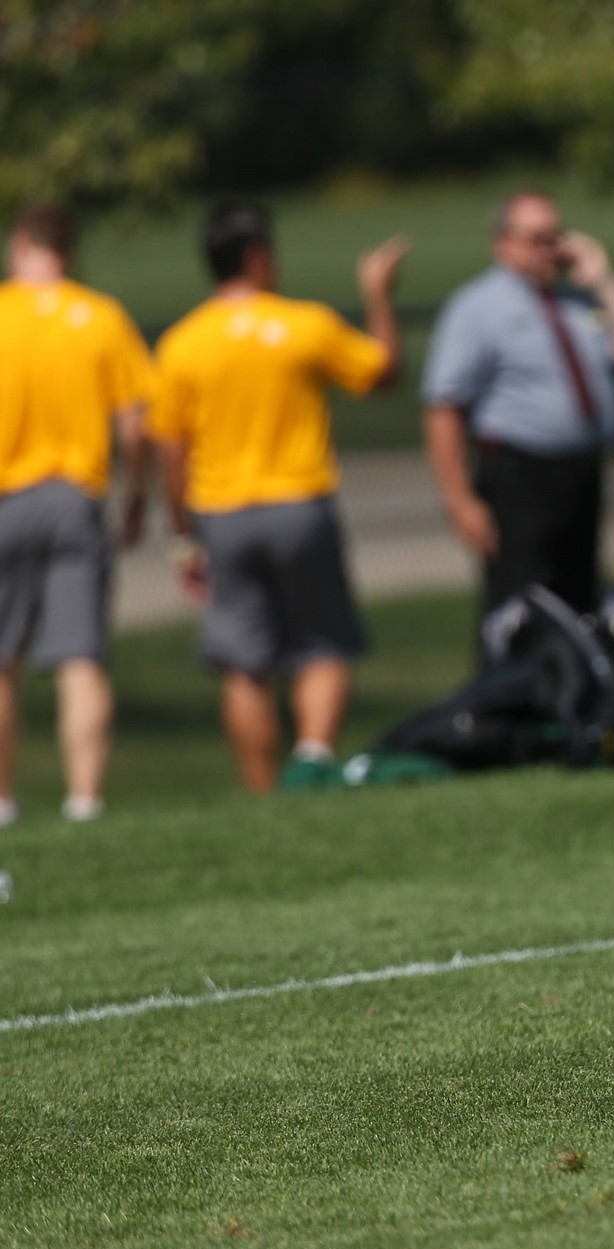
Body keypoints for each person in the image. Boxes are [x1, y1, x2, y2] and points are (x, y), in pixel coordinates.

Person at [151, 202, 407, 792]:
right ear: (257, 257)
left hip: (222, 510)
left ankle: (263, 790)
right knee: (322, 641)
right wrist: (377, 294)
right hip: (298, 502)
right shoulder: (304, 324)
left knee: (244, 661)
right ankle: (313, 757)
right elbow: (383, 371)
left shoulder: (183, 343)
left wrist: (183, 535)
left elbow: (171, 448)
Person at [423, 190, 614, 621]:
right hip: (519, 476)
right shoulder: (477, 308)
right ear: (504, 242)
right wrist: (460, 499)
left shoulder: (579, 303)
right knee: (520, 610)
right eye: (536, 238)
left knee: (577, 605)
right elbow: (445, 407)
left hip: (581, 472)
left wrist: (603, 278)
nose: (550, 249)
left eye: (555, 236)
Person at [0, 204, 153, 826]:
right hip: (75, 496)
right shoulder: (102, 316)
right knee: (80, 656)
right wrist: (137, 495)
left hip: (6, 496)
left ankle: (3, 803)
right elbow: (136, 424)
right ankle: (84, 799)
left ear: (20, 244)